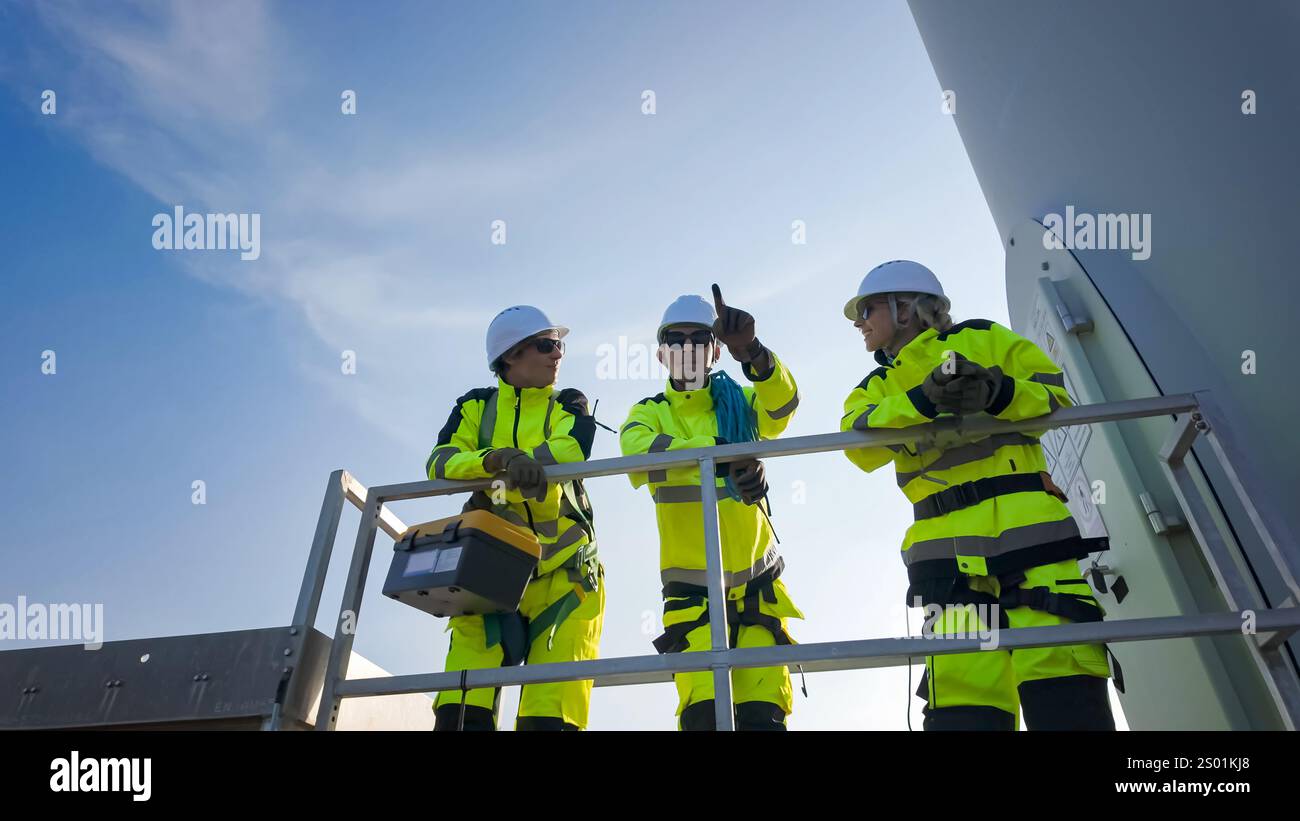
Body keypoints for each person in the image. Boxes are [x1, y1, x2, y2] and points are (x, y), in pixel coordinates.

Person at [839, 260, 1117, 731]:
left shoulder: (985, 339)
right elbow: (857, 444)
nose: (858, 323)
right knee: (964, 707)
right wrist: (923, 401)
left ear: (903, 308)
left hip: (1030, 541)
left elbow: (1053, 398)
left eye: (866, 310)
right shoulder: (877, 386)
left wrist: (997, 392)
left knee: (1064, 689)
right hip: (948, 563)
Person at [620, 285, 803, 730]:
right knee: (704, 718)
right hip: (692, 601)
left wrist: (755, 354)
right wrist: (723, 453)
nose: (686, 348)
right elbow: (641, 450)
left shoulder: (742, 402)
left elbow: (783, 406)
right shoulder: (649, 413)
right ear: (662, 355)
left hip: (759, 590)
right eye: (675, 340)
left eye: (698, 339)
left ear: (715, 351)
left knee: (765, 720)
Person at [425, 305, 604, 730]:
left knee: (549, 718)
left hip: (566, 579)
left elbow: (573, 449)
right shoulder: (474, 406)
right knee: (460, 711)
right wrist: (496, 459)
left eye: (559, 345)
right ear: (510, 356)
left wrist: (526, 460)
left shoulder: (569, 402)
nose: (557, 354)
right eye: (546, 345)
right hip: (489, 574)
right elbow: (439, 461)